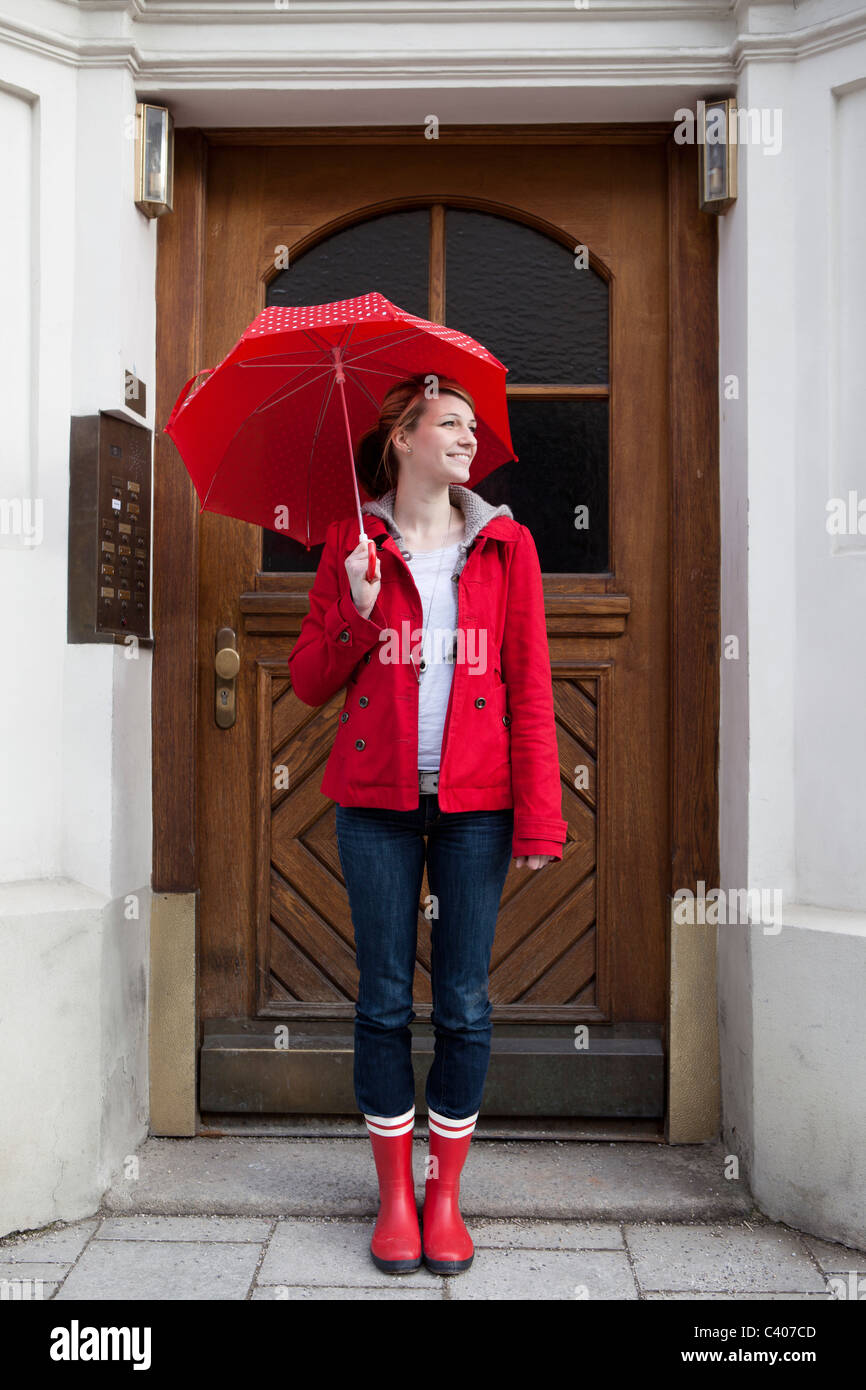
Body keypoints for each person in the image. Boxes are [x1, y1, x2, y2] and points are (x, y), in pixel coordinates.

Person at [287, 373, 567, 1276]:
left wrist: (541, 818)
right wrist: (359, 616)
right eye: (450, 424)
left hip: (475, 809)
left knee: (464, 1003)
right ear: (402, 438)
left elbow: (529, 680)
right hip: (374, 807)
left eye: (472, 426)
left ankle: (442, 1197)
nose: (468, 438)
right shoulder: (349, 543)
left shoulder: (506, 542)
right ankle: (392, 1198)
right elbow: (306, 680)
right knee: (378, 1001)